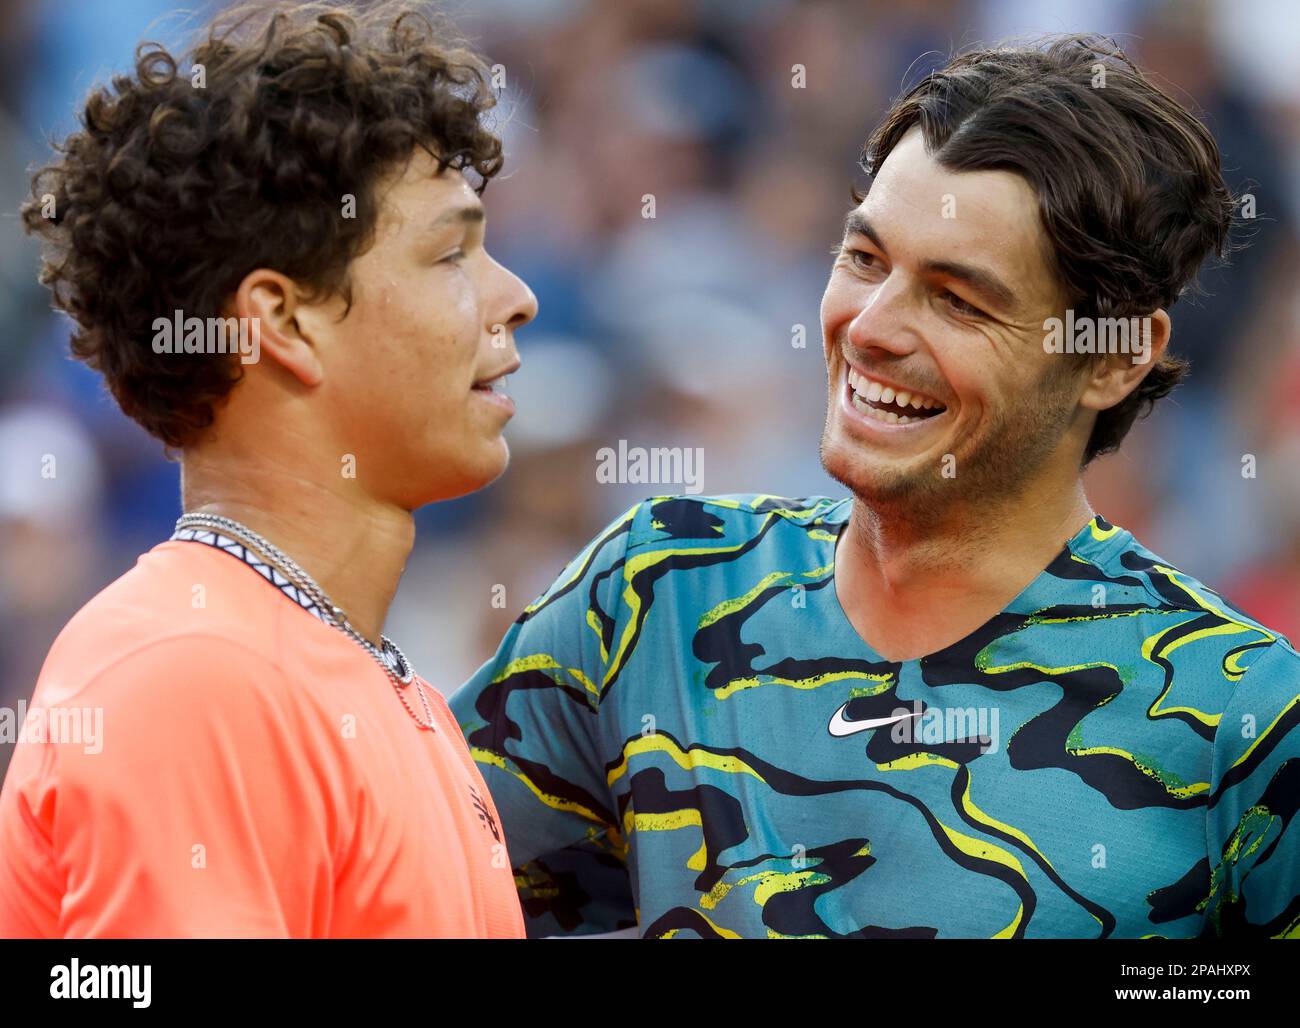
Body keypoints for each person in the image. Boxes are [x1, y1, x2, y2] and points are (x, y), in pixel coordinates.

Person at [451, 34, 1300, 938]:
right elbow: (402, 880)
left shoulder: (1242, 717)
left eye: (959, 300)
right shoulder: (655, 591)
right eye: (864, 259)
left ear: (1114, 359)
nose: (872, 328)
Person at [0, 0, 537, 938]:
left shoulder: (363, 677)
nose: (516, 299)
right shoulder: (195, 677)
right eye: (451, 253)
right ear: (283, 322)